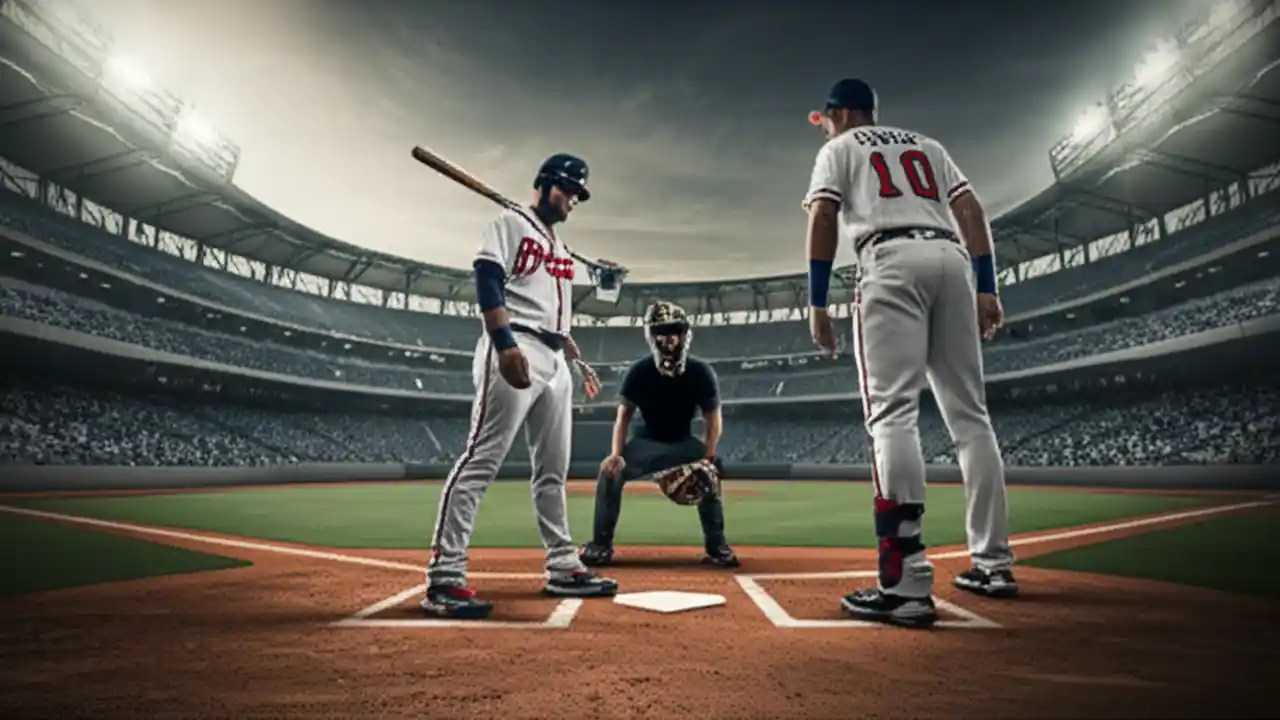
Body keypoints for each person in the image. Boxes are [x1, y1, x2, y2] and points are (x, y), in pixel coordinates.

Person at [803, 78, 1017, 629]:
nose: (824, 127)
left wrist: (817, 302)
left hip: (890, 258)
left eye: (826, 118)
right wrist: (987, 286)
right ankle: (993, 564)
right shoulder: (927, 144)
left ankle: (906, 582)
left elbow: (823, 216)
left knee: (892, 414)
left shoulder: (840, 148)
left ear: (845, 113)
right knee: (972, 417)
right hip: (949, 260)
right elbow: (971, 210)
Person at [421, 153, 618, 620]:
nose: (573, 200)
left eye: (578, 194)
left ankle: (563, 565)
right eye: (568, 190)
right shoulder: (508, 223)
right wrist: (503, 341)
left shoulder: (560, 248)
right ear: (546, 183)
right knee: (481, 459)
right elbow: (488, 278)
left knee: (553, 470)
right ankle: (444, 576)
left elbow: (558, 307)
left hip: (555, 357)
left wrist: (601, 292)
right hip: (516, 345)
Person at [579, 300, 739, 568]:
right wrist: (616, 455)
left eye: (674, 331)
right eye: (662, 332)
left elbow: (713, 420)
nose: (669, 339)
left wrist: (708, 457)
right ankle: (601, 546)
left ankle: (717, 546)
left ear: (685, 335)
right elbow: (623, 418)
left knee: (710, 475)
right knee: (609, 472)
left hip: (684, 444)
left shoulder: (701, 372)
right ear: (652, 337)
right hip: (645, 444)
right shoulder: (639, 371)